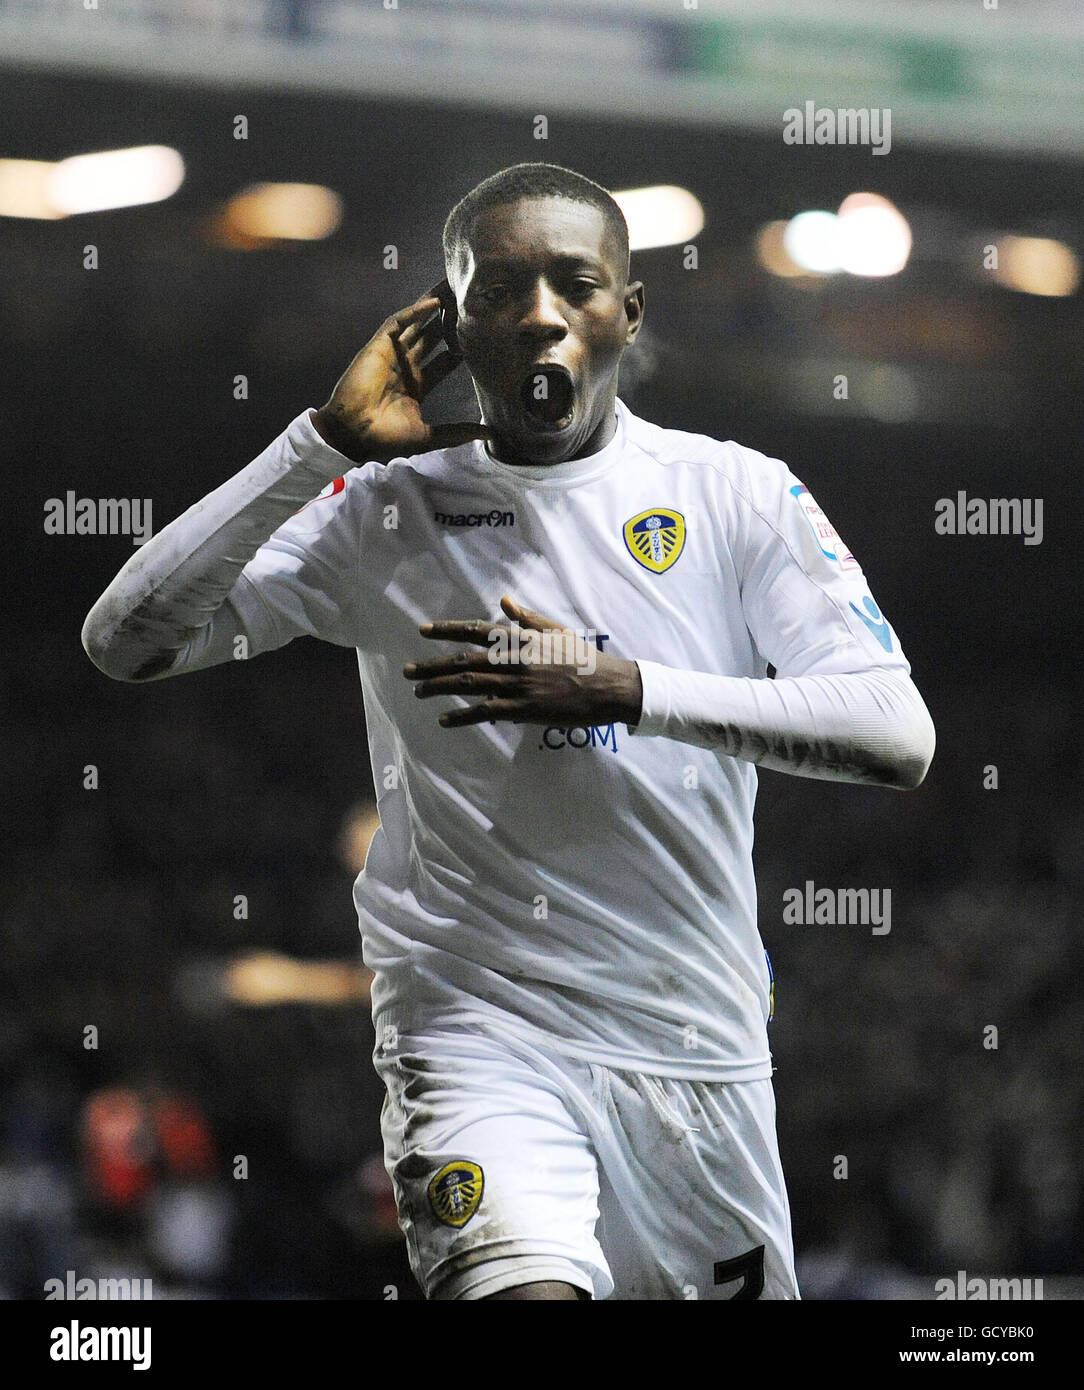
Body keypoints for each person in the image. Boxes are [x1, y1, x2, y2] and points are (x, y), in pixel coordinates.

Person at [82, 162, 935, 1301]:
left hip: (695, 1054)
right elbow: (127, 637)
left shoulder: (739, 496)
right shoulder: (386, 510)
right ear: (448, 320)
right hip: (476, 1032)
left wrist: (627, 688)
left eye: (575, 283)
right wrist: (321, 442)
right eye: (501, 289)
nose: (540, 312)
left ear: (625, 312)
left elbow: (896, 733)